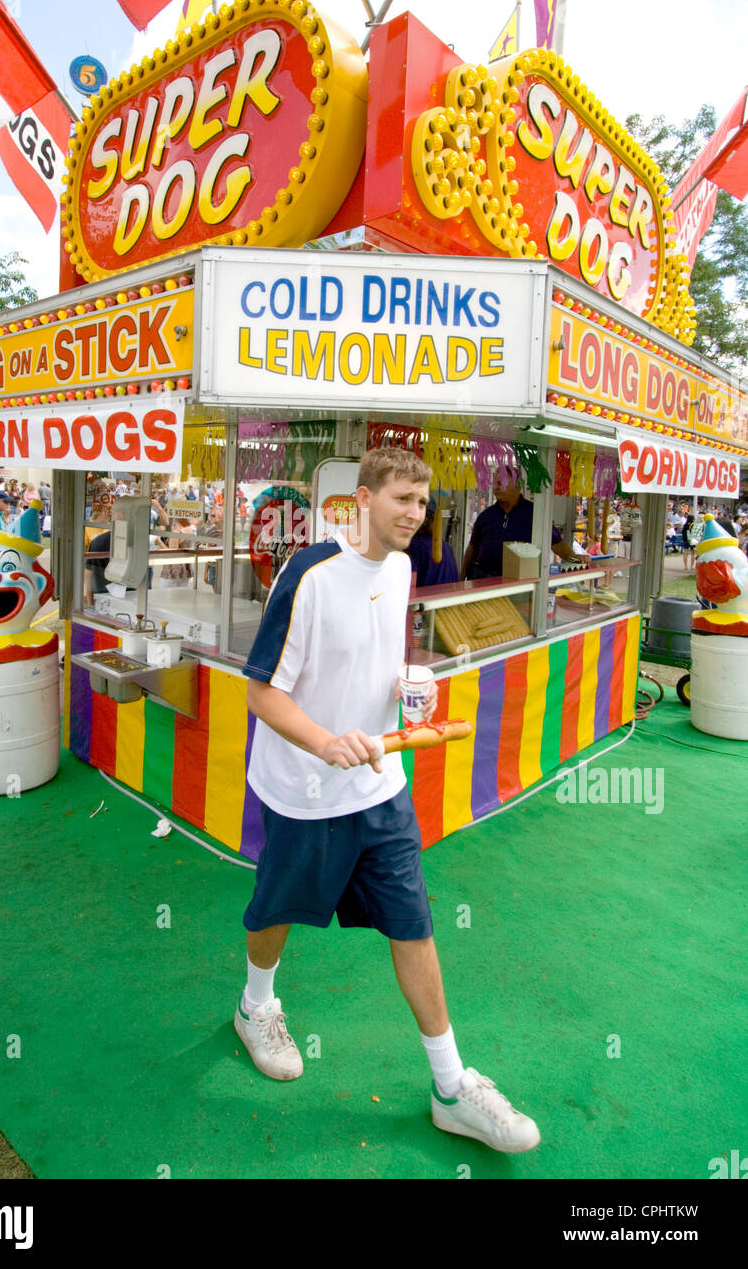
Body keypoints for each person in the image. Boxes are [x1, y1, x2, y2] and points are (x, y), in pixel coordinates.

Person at [236, 448, 540, 1154]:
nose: (415, 513)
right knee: (277, 911)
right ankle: (256, 1007)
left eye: (422, 501)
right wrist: (322, 742)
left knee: (413, 924)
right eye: (402, 498)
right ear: (364, 498)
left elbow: (375, 657)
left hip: (380, 786)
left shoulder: (403, 569)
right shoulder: (308, 573)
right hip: (304, 789)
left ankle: (451, 1087)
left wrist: (412, 686)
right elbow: (261, 689)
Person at [459, 477, 589, 579]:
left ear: (517, 485)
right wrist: (462, 577)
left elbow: (556, 542)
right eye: (495, 483)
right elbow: (472, 548)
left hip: (519, 582)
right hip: (483, 579)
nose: (496, 487)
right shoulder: (486, 516)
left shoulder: (534, 513)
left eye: (501, 482)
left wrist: (575, 558)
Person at [408, 500, 460, 586]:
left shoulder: (414, 546)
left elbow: (409, 588)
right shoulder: (445, 545)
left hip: (426, 598)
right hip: (449, 598)